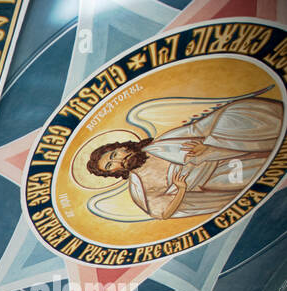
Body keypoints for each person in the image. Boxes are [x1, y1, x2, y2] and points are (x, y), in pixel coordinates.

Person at [85, 91, 283, 221]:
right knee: (241, 174)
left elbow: (200, 127)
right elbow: (160, 212)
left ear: (121, 147)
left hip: (221, 151)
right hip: (214, 178)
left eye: (114, 154)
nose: (118, 160)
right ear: (115, 173)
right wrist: (181, 189)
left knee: (232, 116)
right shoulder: (139, 186)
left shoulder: (159, 144)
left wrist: (208, 144)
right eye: (111, 165)